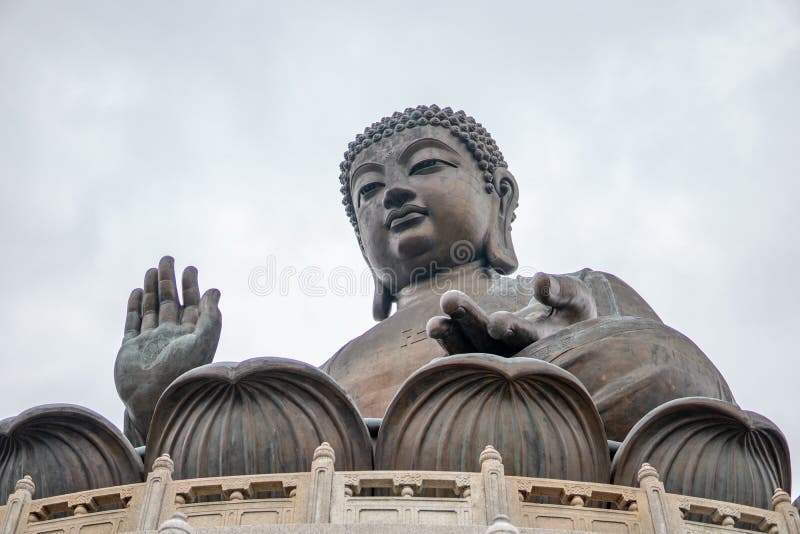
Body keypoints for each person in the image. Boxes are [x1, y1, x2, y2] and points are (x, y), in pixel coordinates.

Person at [114, 105, 732, 446]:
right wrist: (159, 407)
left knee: (659, 361)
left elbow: (692, 390)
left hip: (544, 456)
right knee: (268, 412)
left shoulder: (579, 290)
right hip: (359, 487)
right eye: (369, 190)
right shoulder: (337, 366)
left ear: (499, 198)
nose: (393, 194)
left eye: (427, 165)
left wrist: (553, 357)